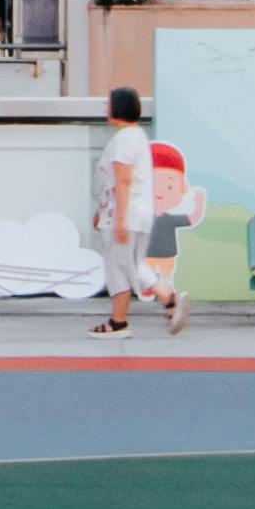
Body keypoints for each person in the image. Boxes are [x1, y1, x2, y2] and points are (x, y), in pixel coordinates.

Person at [95, 84, 175, 336]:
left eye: (109, 104)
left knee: (119, 265)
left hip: (124, 215)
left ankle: (126, 318)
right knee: (129, 263)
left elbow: (123, 181)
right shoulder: (137, 137)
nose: (106, 109)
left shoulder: (122, 141)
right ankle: (126, 317)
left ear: (118, 107)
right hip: (136, 214)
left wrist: (119, 219)